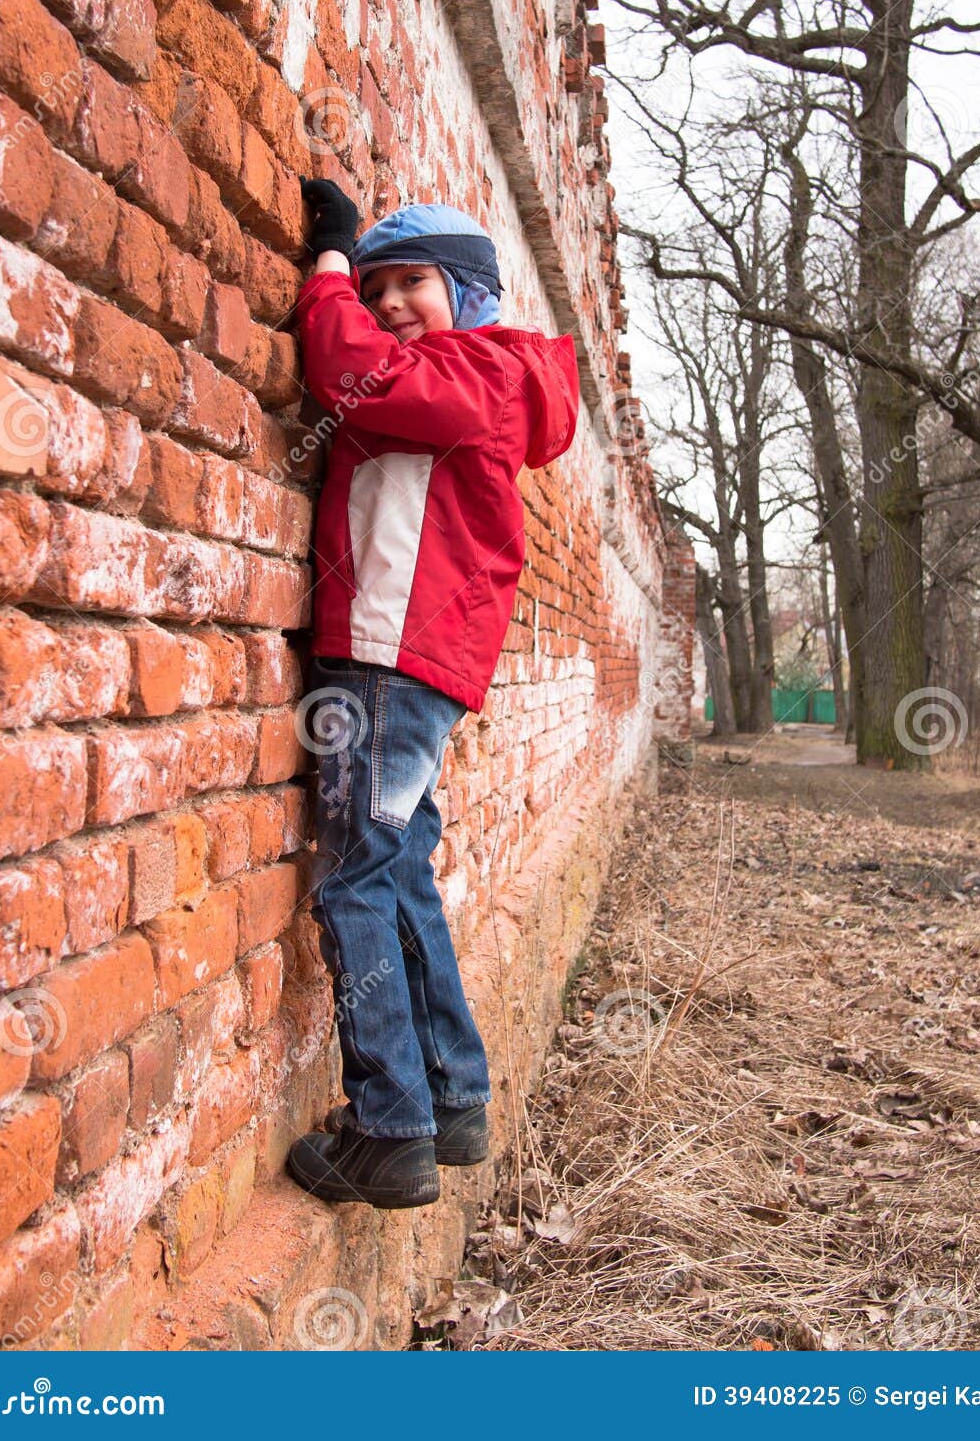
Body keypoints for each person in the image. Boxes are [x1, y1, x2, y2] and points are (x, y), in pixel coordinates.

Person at [285, 178, 580, 1209]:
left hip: (388, 654)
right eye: (378, 286)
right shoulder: (474, 371)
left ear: (470, 291)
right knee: (400, 863)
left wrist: (328, 264)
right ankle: (452, 1097)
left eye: (413, 282)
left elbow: (345, 370)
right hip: (413, 660)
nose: (391, 303)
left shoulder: (476, 373)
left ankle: (390, 1126)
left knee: (354, 876)